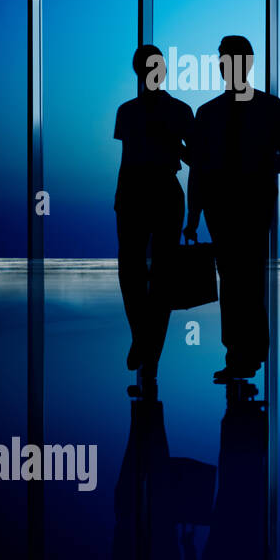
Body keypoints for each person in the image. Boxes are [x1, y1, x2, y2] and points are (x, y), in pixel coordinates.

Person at [184, 35, 280, 382]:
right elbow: (199, 170)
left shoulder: (251, 109)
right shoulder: (217, 112)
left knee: (241, 277)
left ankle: (242, 350)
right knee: (240, 277)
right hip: (233, 205)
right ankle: (243, 349)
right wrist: (193, 215)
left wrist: (266, 163)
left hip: (246, 203)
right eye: (224, 60)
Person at [114, 45, 194, 391]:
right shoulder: (130, 111)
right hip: (141, 189)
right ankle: (145, 345)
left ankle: (148, 351)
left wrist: (171, 145)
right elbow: (127, 156)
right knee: (136, 270)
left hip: (156, 188)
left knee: (154, 273)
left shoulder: (175, 110)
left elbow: (196, 156)